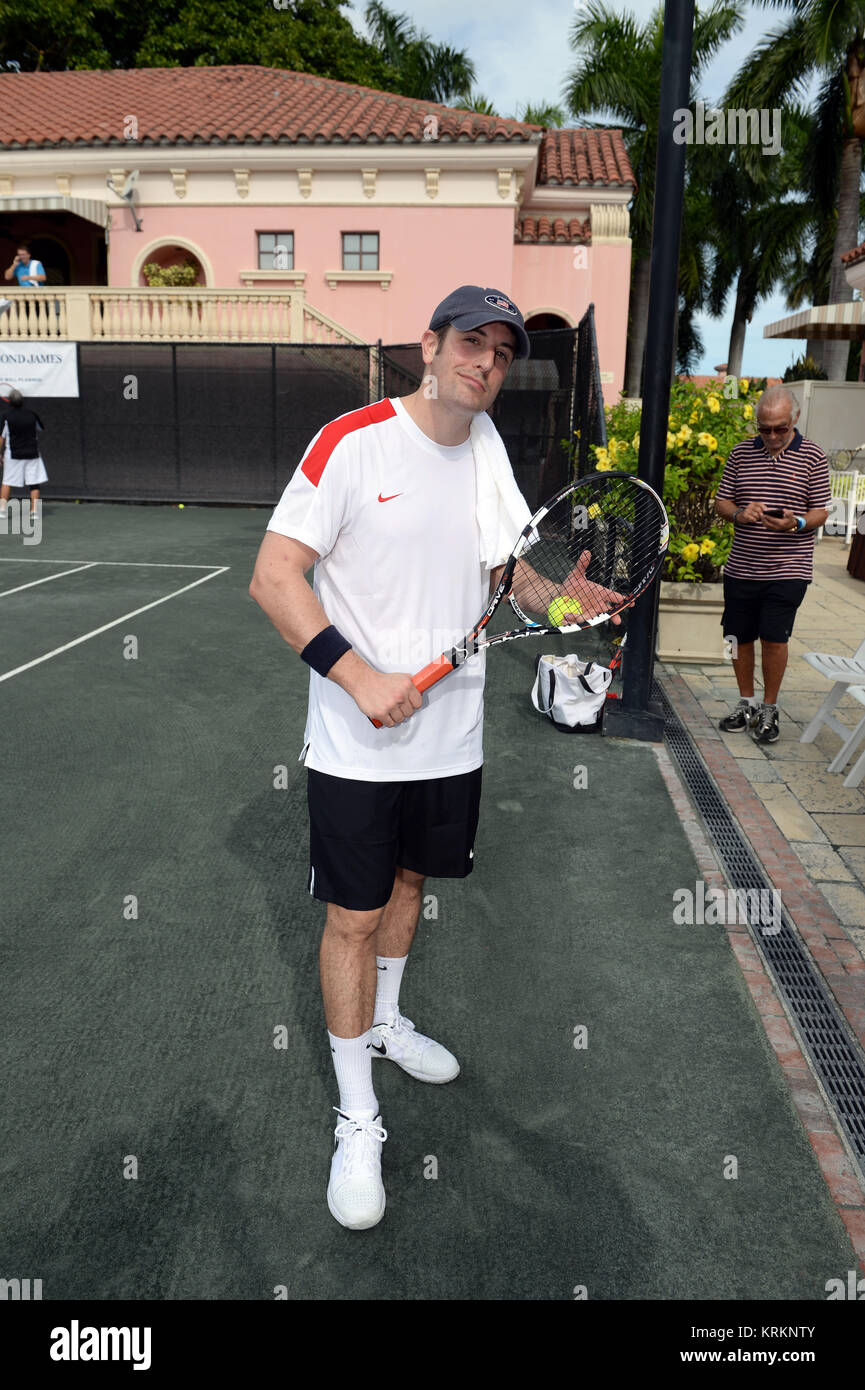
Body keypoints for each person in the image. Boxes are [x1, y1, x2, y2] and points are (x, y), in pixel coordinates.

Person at [249, 285, 619, 1231]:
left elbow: (509, 576)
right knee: (353, 916)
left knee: (412, 886)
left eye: (502, 351)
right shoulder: (351, 441)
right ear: (430, 345)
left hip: (451, 740)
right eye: (472, 342)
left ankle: (385, 1023)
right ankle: (356, 1113)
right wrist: (358, 676)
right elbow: (274, 574)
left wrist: (559, 597)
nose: (487, 362)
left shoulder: (489, 449)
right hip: (354, 744)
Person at [714, 384, 830, 744]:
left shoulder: (813, 456)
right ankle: (745, 702)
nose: (772, 435)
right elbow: (722, 501)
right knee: (735, 636)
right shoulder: (740, 454)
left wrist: (795, 523)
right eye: (764, 429)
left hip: (789, 568)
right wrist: (738, 514)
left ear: (794, 418)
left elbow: (821, 511)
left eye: (780, 428)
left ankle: (769, 707)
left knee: (774, 638)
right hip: (741, 566)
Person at [0, 387, 48, 521]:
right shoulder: (32, 414)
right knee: (34, 483)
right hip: (32, 454)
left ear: (9, 401)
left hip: (13, 455)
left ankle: (2, 510)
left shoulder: (5, 416)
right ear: (22, 401)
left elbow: (1, 438)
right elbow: (41, 428)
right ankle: (34, 512)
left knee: (6, 482)